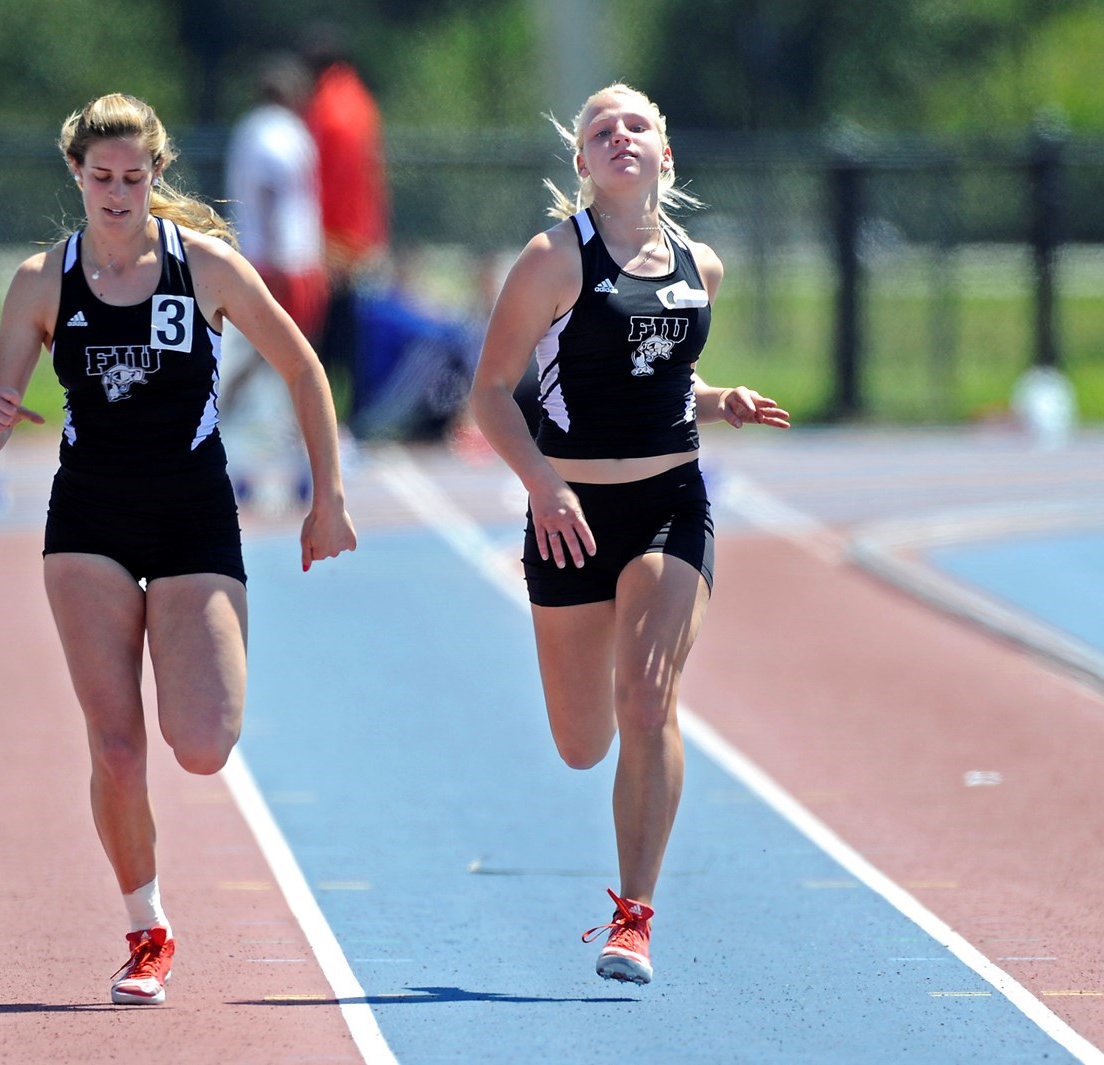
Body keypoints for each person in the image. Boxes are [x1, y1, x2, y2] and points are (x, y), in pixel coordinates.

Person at [0, 93, 357, 1006]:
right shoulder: (41, 281)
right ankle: (145, 926)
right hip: (89, 521)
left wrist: (328, 498)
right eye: (101, 177)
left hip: (191, 514)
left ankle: (159, 858)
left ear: (157, 174)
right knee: (115, 746)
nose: (117, 193)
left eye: (133, 177)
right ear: (76, 174)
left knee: (204, 743)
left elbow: (302, 365)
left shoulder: (204, 266)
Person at [467, 83, 789, 985]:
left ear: (664, 151)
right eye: (600, 130)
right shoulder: (551, 260)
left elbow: (666, 378)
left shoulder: (700, 265)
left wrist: (719, 399)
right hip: (569, 519)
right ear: (582, 161)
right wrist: (543, 486)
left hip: (669, 505)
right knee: (582, 741)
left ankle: (634, 916)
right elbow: (490, 392)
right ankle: (609, 684)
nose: (619, 136)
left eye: (636, 124)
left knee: (647, 701)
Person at [222, 52, 327, 508]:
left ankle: (238, 446)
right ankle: (300, 460)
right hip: (282, 264)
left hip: (271, 259)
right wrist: (282, 262)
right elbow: (270, 195)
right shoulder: (277, 131)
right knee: (297, 362)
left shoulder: (252, 129)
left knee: (266, 363)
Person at [299, 26, 388, 422]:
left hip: (332, 240)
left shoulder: (326, 109)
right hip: (357, 236)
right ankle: (347, 417)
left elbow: (324, 183)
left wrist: (321, 243)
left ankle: (329, 419)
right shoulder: (359, 101)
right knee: (347, 333)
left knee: (326, 336)